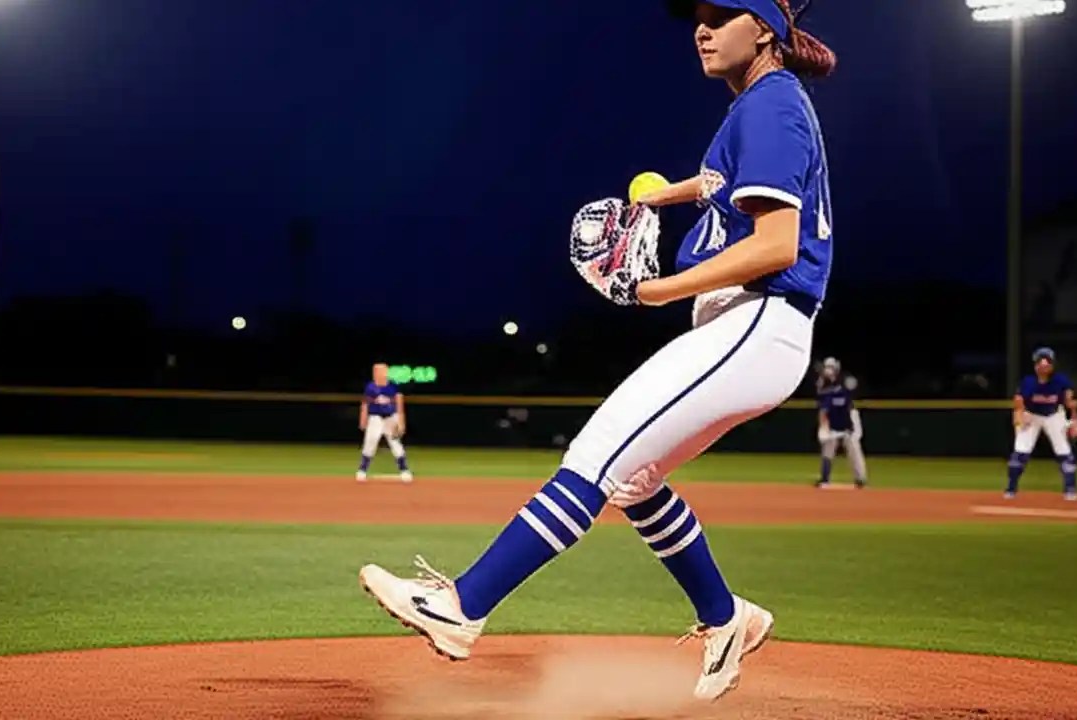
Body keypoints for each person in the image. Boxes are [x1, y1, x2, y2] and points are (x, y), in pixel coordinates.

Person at [359, 0, 837, 703]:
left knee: (597, 453)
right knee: (634, 481)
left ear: (763, 29)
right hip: (743, 330)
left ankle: (463, 608)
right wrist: (660, 200)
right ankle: (725, 616)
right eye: (696, 18)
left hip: (759, 322)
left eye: (720, 14)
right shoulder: (757, 105)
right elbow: (720, 191)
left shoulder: (770, 106)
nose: (700, 29)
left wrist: (660, 290)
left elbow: (776, 245)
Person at [1006, 347, 1077, 500]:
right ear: (1035, 365)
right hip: (1031, 415)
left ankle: (1070, 489)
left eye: (1047, 362)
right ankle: (1011, 489)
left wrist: (1075, 419)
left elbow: (1069, 401)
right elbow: (1019, 401)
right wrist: (1018, 416)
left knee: (1064, 452)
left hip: (1054, 415)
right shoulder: (1028, 382)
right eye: (1040, 362)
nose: (1044, 366)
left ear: (1053, 365)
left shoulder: (1061, 381)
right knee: (1020, 453)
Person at [814, 357, 868, 488]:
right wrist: (823, 425)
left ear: (836, 369)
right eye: (826, 367)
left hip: (849, 417)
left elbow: (850, 395)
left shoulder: (844, 381)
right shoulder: (822, 384)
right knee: (828, 448)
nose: (827, 370)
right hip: (832, 418)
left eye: (830, 367)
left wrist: (851, 425)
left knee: (853, 448)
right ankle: (825, 478)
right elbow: (823, 406)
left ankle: (860, 478)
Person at [357, 363, 413, 483]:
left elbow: (399, 403)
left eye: (380, 371)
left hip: (390, 418)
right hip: (375, 418)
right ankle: (362, 470)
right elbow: (365, 404)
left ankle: (404, 470)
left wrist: (401, 422)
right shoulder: (370, 387)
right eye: (375, 371)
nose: (376, 373)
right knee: (370, 443)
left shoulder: (393, 387)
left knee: (395, 444)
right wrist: (363, 418)